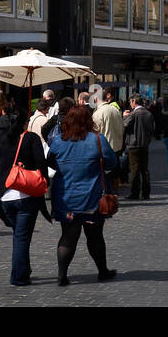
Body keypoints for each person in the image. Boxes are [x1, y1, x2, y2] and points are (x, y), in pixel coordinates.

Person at [46, 104, 117, 286]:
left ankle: (62, 275)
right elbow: (111, 163)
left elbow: (51, 163)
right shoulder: (97, 140)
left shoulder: (59, 142)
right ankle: (102, 270)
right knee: (95, 235)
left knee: (68, 236)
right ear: (88, 120)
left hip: (66, 196)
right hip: (92, 197)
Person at [0, 109, 50, 286]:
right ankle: (19, 276)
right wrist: (44, 184)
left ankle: (23, 269)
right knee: (22, 237)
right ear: (25, 122)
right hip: (25, 194)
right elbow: (42, 164)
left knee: (19, 235)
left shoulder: (0, 140)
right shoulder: (31, 138)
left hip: (6, 196)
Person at [123, 94, 155, 200]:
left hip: (134, 144)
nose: (130, 104)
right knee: (144, 169)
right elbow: (152, 129)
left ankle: (135, 192)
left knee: (134, 169)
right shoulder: (148, 113)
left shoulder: (133, 114)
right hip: (144, 144)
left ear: (134, 102)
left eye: (130, 102)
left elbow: (124, 125)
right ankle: (146, 193)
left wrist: (124, 116)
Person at [92, 89, 126, 182]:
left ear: (96, 99)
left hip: (104, 149)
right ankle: (114, 192)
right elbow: (122, 127)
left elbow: (95, 133)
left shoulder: (97, 113)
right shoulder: (115, 109)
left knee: (106, 177)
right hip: (117, 146)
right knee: (114, 175)